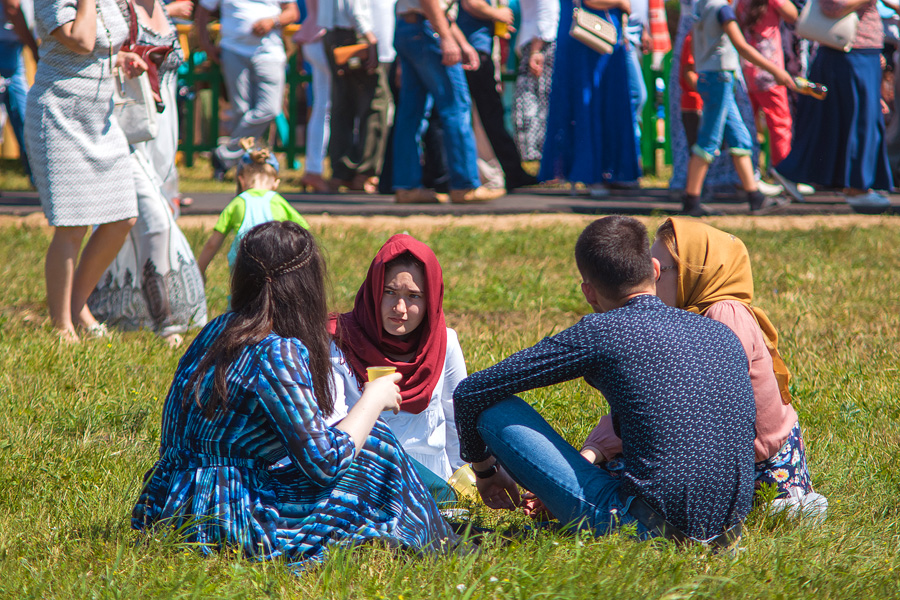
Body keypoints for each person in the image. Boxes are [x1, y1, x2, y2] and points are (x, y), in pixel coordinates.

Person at [132, 221, 458, 568]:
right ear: (305, 285)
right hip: (229, 517)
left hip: (168, 504)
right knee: (377, 445)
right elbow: (325, 464)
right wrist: (373, 398)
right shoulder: (276, 351)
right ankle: (444, 541)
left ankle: (439, 530)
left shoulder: (216, 329)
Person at [453, 216, 756, 546]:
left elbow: (472, 391)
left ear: (588, 292)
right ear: (654, 270)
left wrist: (485, 472)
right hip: (729, 535)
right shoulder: (721, 333)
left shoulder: (601, 332)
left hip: (648, 531)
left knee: (495, 408)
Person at [584, 218, 827, 519]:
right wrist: (596, 447)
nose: (650, 278)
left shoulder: (724, 314)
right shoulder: (688, 321)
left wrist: (598, 451)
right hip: (725, 457)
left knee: (611, 485)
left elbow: (680, 410)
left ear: (694, 273)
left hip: (757, 464)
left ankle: (784, 503)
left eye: (658, 269)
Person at [25, 0, 148, 342]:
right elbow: (81, 39)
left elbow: (102, 42)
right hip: (59, 115)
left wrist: (121, 59)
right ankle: (61, 324)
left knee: (123, 216)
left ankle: (78, 305)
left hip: (100, 120)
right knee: (72, 223)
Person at [88, 0, 208, 347]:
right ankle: (164, 319)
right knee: (152, 220)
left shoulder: (167, 10)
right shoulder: (121, 9)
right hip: (131, 130)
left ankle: (119, 306)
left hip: (161, 129)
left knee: (156, 217)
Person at [332, 234, 467, 487]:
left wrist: (466, 481)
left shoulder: (444, 343)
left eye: (414, 296)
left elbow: (456, 419)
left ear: (431, 300)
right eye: (390, 292)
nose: (400, 308)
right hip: (366, 479)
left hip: (434, 486)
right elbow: (330, 427)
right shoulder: (340, 342)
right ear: (374, 291)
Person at [772, 0, 895, 212]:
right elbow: (833, 6)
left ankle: (795, 172)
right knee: (858, 121)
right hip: (847, 53)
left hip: (859, 53)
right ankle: (856, 188)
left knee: (844, 121)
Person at [680, 0, 797, 215]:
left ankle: (755, 197)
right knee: (708, 140)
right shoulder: (722, 10)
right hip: (720, 77)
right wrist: (775, 71)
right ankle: (691, 200)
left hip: (712, 76)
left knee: (739, 137)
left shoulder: (702, 7)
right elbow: (742, 46)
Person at [392, 0, 498, 204]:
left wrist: (461, 42)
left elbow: (440, 11)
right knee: (456, 107)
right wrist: (447, 38)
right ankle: (464, 185)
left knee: (411, 113)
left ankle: (407, 187)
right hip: (429, 29)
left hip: (412, 26)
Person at [538, 0, 641, 197]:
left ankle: (604, 172)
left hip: (604, 36)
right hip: (588, 38)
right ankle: (587, 174)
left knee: (603, 103)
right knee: (588, 103)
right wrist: (621, 3)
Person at [195, 0, 299, 181]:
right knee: (240, 111)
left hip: (269, 52)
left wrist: (272, 21)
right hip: (233, 49)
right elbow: (202, 13)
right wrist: (206, 45)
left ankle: (224, 155)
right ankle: (244, 170)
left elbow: (292, 12)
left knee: (270, 108)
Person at [457, 0, 539, 191]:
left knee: (485, 113)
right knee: (488, 113)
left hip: (478, 49)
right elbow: (471, 3)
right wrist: (496, 14)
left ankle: (505, 170)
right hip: (473, 52)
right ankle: (510, 172)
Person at [196, 143, 310, 277]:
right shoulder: (278, 201)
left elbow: (212, 243)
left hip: (242, 268)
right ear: (276, 182)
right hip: (276, 266)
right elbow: (304, 232)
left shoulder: (237, 204)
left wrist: (200, 271)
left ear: (241, 179)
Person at [320, 0, 392, 193]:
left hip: (337, 32)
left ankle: (341, 173)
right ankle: (365, 173)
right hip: (355, 34)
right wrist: (369, 38)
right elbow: (356, 7)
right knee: (375, 104)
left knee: (343, 105)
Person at [735, 0, 797, 171]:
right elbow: (793, 15)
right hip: (770, 69)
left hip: (747, 68)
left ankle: (749, 172)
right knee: (779, 124)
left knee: (748, 123)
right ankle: (783, 171)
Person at [512, 0, 559, 162]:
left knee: (535, 103)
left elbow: (548, 10)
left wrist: (536, 50)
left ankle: (546, 159)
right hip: (538, 41)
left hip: (541, 43)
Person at [294, 0, 332, 193]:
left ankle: (314, 169)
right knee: (326, 109)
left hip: (314, 36)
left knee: (322, 108)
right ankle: (315, 170)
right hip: (324, 36)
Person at [1, 0, 36, 179]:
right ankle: (37, 181)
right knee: (24, 119)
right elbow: (12, 7)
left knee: (23, 118)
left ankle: (36, 180)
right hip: (5, 45)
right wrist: (34, 48)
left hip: (13, 47)